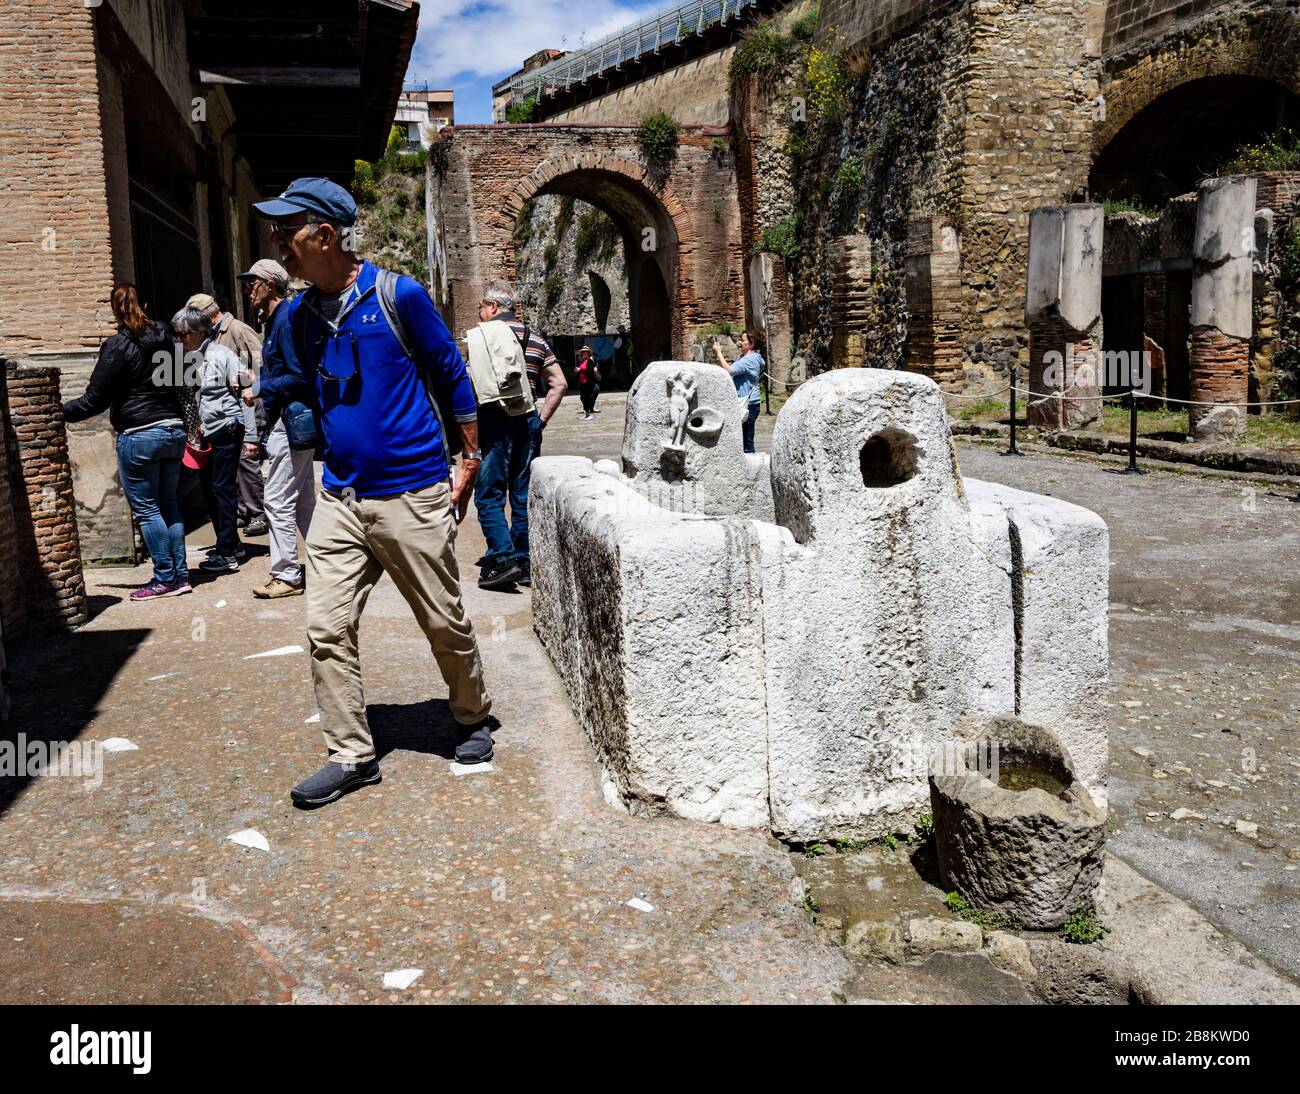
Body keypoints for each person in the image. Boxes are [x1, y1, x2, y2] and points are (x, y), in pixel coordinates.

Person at [248, 176, 495, 805]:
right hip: (338, 498)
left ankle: (470, 714)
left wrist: (468, 459)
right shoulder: (300, 316)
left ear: (324, 235)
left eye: (286, 231)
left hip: (411, 492)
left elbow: (450, 372)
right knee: (325, 629)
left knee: (442, 619)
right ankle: (352, 754)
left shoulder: (398, 296)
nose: (277, 242)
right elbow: (294, 385)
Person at [63, 285, 189, 601]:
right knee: (169, 504)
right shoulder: (168, 339)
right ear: (144, 305)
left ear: (114, 310)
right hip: (173, 429)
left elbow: (93, 400)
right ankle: (181, 575)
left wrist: (58, 411)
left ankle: (164, 579)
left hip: (140, 434)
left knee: (148, 510)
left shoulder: (117, 345)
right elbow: (180, 382)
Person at [473, 281, 566, 591]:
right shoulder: (535, 339)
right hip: (527, 422)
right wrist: (540, 420)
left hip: (493, 422)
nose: (480, 313)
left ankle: (501, 559)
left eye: (483, 307)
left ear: (494, 308)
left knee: (489, 493)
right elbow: (559, 384)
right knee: (522, 494)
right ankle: (524, 561)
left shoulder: (481, 339)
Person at [238, 259, 315, 599]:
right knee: (303, 503)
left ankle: (286, 575)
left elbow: (299, 376)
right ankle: (326, 566)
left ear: (269, 285)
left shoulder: (283, 321)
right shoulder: (276, 321)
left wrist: (260, 388)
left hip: (290, 421)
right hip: (289, 421)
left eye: (252, 282)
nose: (247, 288)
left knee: (276, 499)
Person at [172, 306, 256, 575]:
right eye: (177, 334)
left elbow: (247, 392)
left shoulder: (222, 354)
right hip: (205, 433)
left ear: (199, 332)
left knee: (222, 488)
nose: (180, 338)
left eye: (184, 334)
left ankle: (227, 553)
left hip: (227, 427)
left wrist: (251, 437)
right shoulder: (183, 358)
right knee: (210, 489)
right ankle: (232, 543)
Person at [187, 292, 268, 536]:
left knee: (246, 462)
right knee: (233, 468)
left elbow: (259, 363)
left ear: (207, 316)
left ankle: (258, 514)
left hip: (247, 406)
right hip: (227, 413)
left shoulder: (237, 330)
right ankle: (243, 511)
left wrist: (241, 380)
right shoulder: (213, 336)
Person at [714, 330, 764, 454]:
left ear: (751, 344)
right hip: (743, 401)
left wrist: (719, 353)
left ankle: (751, 467)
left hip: (749, 404)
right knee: (740, 438)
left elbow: (730, 370)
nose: (739, 342)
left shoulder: (750, 359)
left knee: (747, 441)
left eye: (743, 340)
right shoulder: (743, 357)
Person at [575, 344, 601, 420]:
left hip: (588, 383)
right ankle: (586, 414)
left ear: (588, 353)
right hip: (582, 382)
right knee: (583, 398)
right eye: (583, 352)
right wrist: (576, 369)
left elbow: (590, 371)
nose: (584, 353)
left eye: (586, 352)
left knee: (589, 398)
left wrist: (581, 370)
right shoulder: (581, 360)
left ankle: (591, 414)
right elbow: (578, 368)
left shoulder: (590, 361)